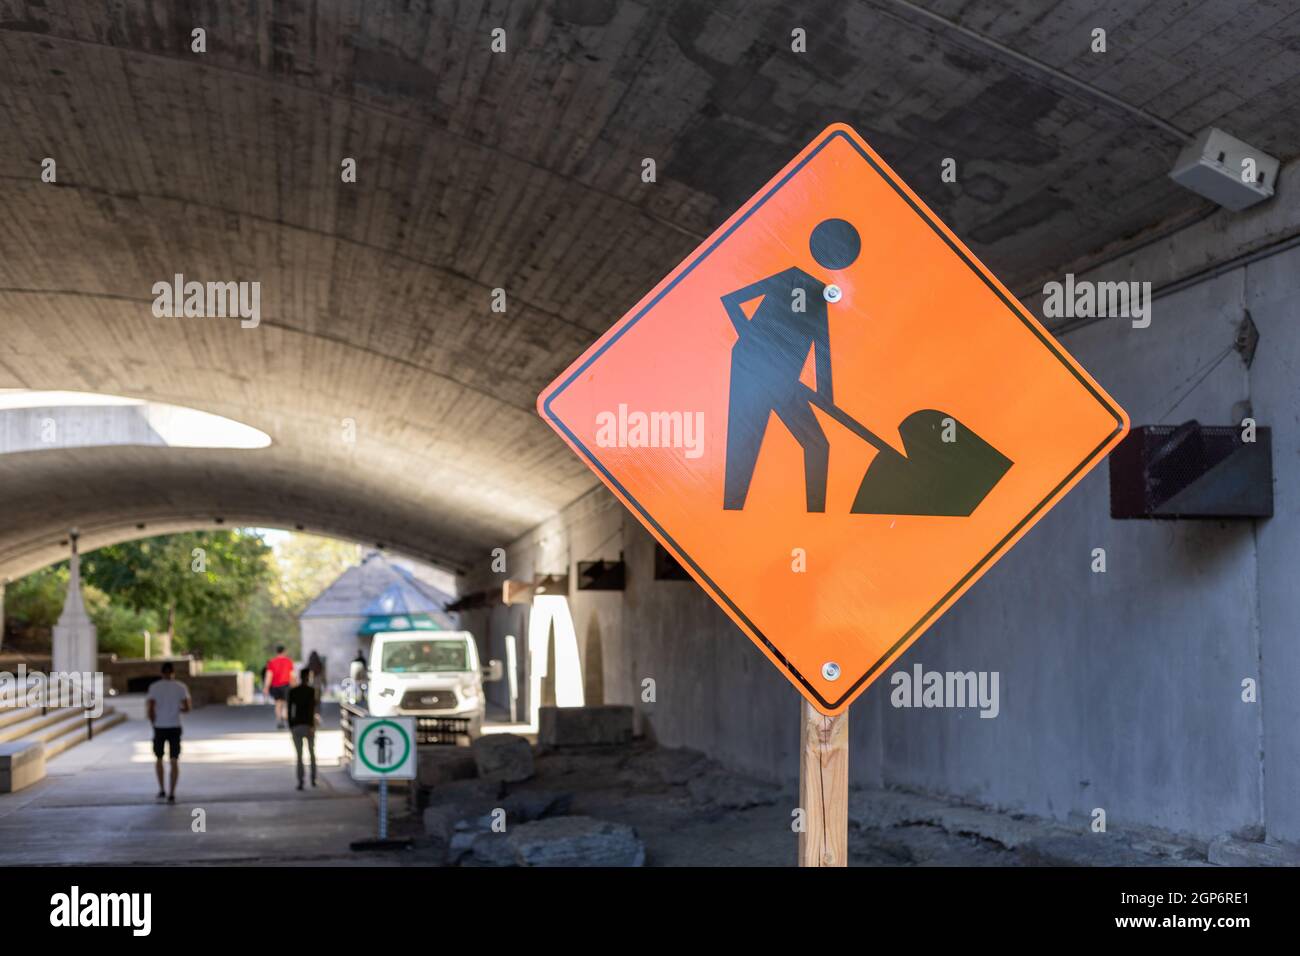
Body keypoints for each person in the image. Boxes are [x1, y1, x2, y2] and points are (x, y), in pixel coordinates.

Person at [721, 217, 861, 513]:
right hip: (750, 369)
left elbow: (822, 353)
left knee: (818, 445)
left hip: (784, 380)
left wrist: (827, 399)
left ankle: (817, 518)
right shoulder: (791, 278)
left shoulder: (821, 299)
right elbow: (732, 301)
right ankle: (731, 514)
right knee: (743, 445)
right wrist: (754, 344)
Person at [146, 662, 191, 804]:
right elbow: (187, 707)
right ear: (173, 672)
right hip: (174, 726)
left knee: (159, 758)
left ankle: (161, 789)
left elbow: (151, 708)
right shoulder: (180, 687)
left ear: (161, 672)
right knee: (174, 759)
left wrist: (154, 722)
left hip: (160, 726)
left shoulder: (154, 687)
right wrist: (177, 710)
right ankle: (172, 792)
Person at [287, 667, 319, 790]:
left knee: (299, 756)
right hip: (308, 725)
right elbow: (312, 709)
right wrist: (312, 725)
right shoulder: (311, 691)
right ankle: (313, 779)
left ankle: (300, 781)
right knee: (312, 753)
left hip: (296, 725)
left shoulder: (293, 691)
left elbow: (290, 710)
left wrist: (291, 725)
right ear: (308, 677)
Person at [264, 645, 294, 729]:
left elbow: (269, 675)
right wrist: (294, 684)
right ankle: (285, 715)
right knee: (286, 703)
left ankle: (279, 720)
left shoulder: (272, 662)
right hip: (286, 685)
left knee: (278, 703)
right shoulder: (288, 661)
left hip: (275, 686)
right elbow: (292, 675)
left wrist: (266, 687)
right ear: (284, 651)